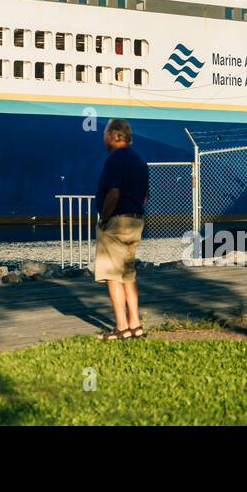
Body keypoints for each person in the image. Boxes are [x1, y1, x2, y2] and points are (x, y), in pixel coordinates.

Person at [94, 118, 148, 340]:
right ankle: (136, 325)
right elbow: (145, 195)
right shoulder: (139, 160)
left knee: (112, 276)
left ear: (114, 135)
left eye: (105, 133)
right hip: (135, 221)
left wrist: (104, 219)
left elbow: (113, 193)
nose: (103, 138)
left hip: (117, 222)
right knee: (128, 275)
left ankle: (122, 328)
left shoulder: (114, 160)